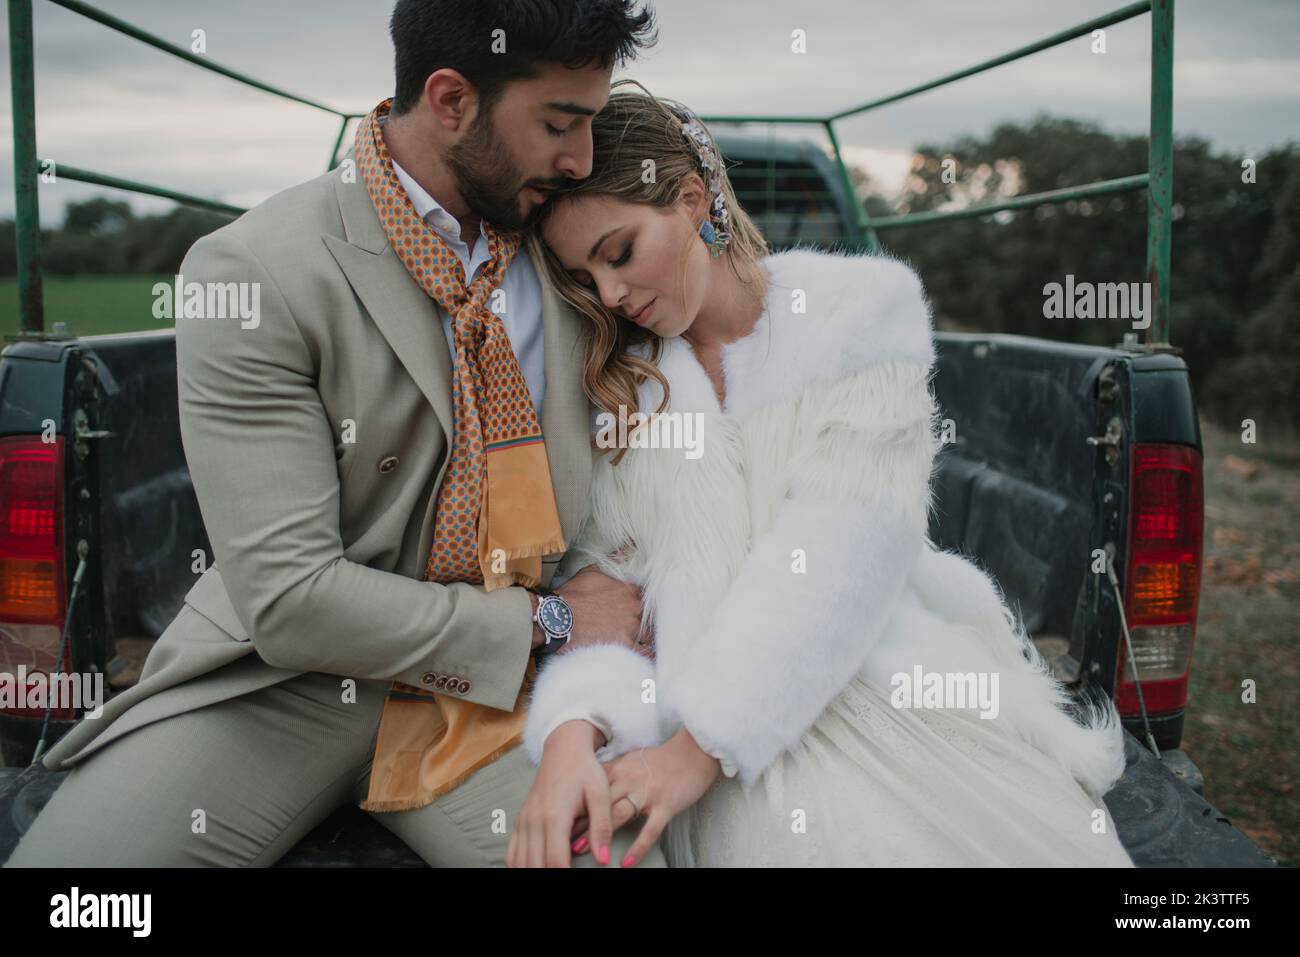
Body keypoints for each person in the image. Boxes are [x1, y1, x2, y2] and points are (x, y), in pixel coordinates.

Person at [5, 0, 664, 869]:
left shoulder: (574, 241)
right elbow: (290, 599)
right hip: (286, 684)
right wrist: (546, 620)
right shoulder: (256, 271)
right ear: (451, 99)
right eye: (558, 124)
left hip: (505, 696)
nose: (580, 158)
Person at [508, 81, 1137, 868]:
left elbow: (841, 557)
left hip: (865, 682)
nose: (610, 294)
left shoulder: (860, 319)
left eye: (621, 252)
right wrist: (574, 729)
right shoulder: (617, 380)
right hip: (700, 720)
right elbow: (607, 587)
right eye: (583, 278)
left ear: (694, 198)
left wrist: (698, 751)